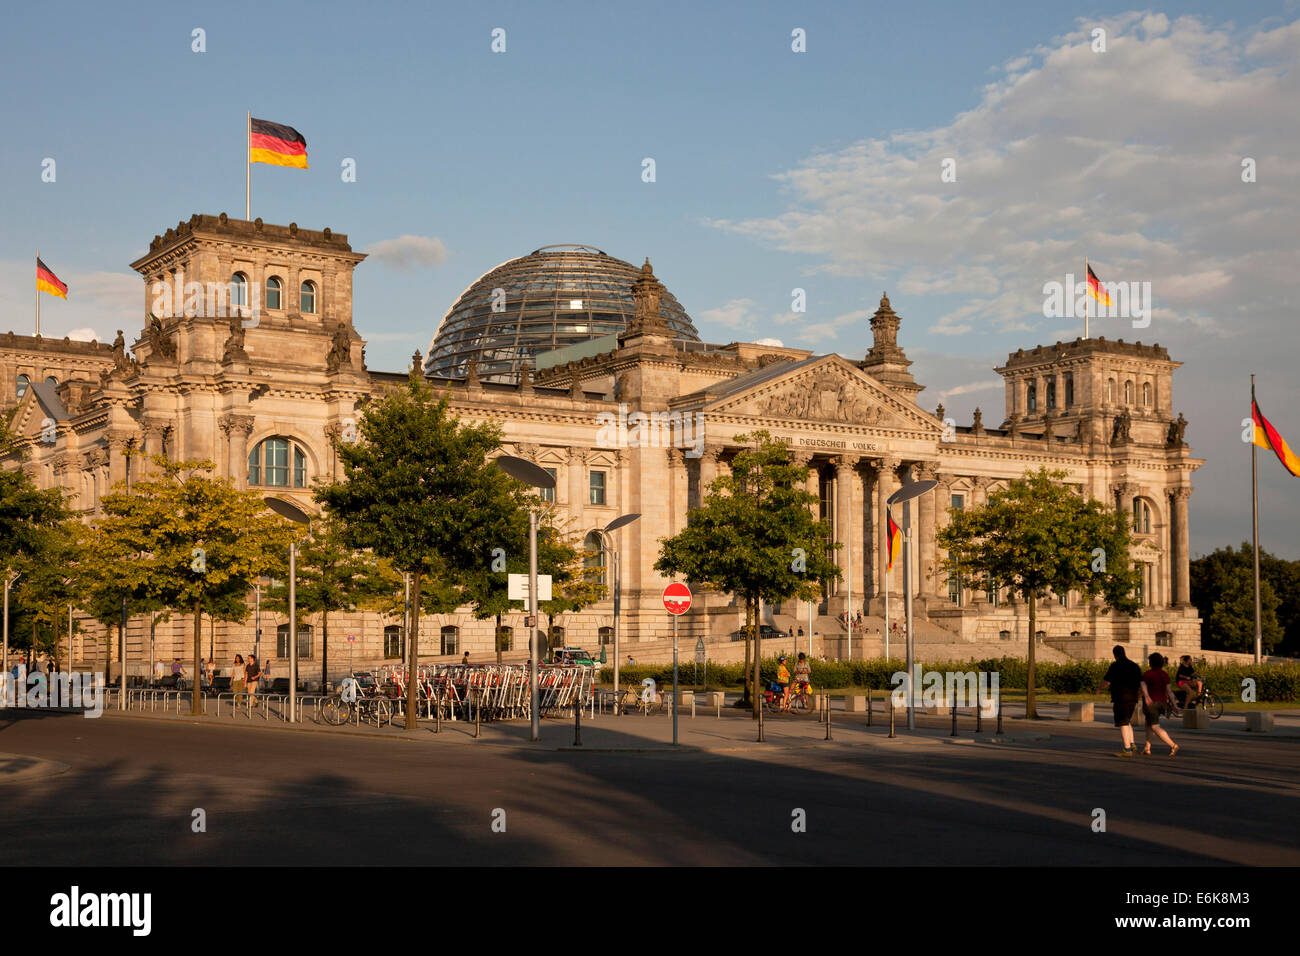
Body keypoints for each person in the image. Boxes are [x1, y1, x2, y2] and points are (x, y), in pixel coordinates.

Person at [1099, 645, 1142, 756]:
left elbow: (1106, 682)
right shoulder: (1134, 666)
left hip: (1120, 697)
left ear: (1114, 655)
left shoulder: (1115, 666)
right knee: (1127, 720)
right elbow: (1141, 683)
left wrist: (1099, 688)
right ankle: (1132, 743)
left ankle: (1127, 749)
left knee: (1122, 722)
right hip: (1133, 698)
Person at [1139, 653, 1179, 756]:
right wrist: (1174, 705)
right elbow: (1169, 691)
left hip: (1151, 704)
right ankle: (1147, 748)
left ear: (1151, 663)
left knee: (1154, 727)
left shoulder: (1147, 674)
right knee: (1148, 724)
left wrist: (1146, 697)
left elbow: (1143, 687)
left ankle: (1173, 745)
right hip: (1162, 703)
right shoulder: (1164, 674)